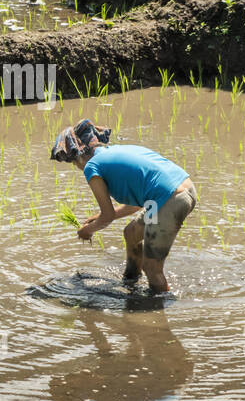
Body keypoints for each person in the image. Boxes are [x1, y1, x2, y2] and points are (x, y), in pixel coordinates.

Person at [51, 119, 197, 295]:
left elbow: (108, 216)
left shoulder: (92, 166)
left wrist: (87, 231)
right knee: (131, 233)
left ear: (79, 156)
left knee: (152, 268)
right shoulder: (115, 151)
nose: (77, 167)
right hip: (182, 189)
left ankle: (159, 309)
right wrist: (98, 217)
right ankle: (131, 280)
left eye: (74, 163)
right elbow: (136, 203)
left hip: (169, 201)